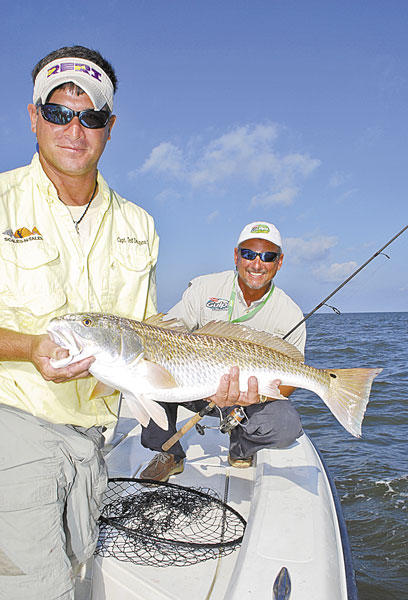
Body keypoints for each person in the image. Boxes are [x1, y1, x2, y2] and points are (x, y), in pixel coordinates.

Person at [0, 45, 161, 600]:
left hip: (95, 438)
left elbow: (148, 337)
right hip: (14, 425)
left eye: (90, 115)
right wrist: (28, 347)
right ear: (33, 116)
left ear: (109, 127)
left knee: (75, 568)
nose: (74, 128)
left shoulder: (140, 224)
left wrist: (215, 380)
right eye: (58, 112)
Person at [140, 221, 306, 482]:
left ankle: (241, 449)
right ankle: (168, 453)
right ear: (236, 256)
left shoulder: (290, 312)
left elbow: (291, 379)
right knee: (144, 375)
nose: (257, 264)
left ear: (279, 261)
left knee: (285, 424)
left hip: (247, 397)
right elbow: (167, 333)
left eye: (268, 256)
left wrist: (250, 399)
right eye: (249, 254)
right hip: (193, 384)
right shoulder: (205, 288)